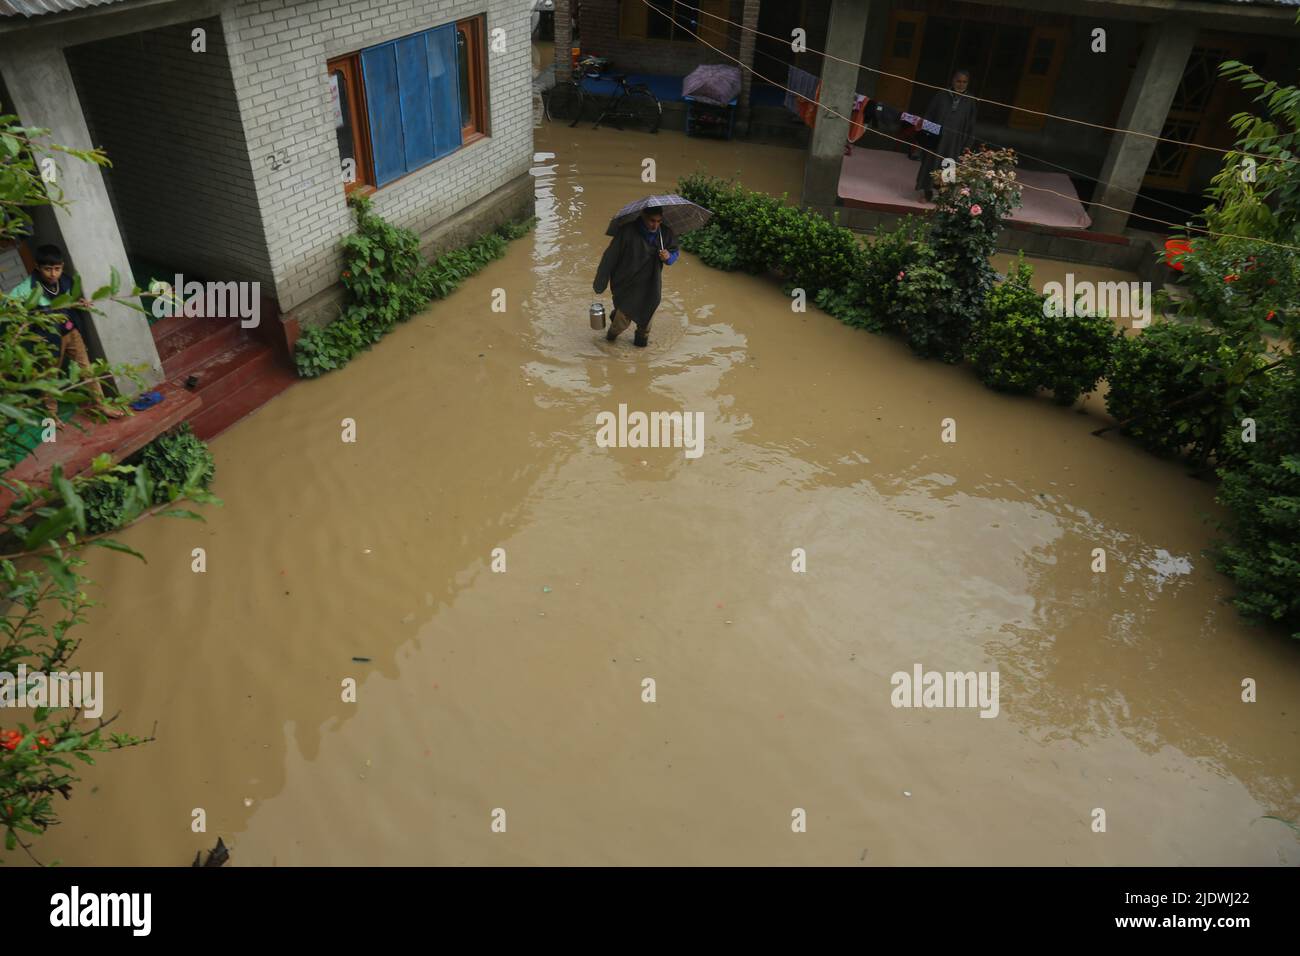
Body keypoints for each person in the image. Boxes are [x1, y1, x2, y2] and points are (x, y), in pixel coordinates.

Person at [7, 243, 124, 419]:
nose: (53, 274)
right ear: (38, 268)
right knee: (49, 377)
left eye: (57, 268)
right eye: (48, 269)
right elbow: (8, 306)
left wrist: (81, 301)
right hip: (48, 340)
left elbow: (72, 297)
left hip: (71, 332)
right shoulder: (26, 289)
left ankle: (102, 405)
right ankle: (52, 415)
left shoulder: (67, 281)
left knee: (87, 370)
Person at [593, 206, 678, 347]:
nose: (655, 225)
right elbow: (610, 257)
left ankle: (640, 345)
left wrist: (668, 257)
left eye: (659, 221)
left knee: (646, 323)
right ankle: (609, 341)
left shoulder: (665, 233)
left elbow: (674, 252)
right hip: (627, 283)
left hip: (652, 284)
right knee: (619, 325)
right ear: (643, 216)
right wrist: (600, 282)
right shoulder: (627, 232)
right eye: (652, 221)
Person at [914, 70, 978, 202]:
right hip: (936, 139)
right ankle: (928, 193)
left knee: (949, 165)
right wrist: (926, 134)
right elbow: (930, 114)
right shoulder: (941, 95)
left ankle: (943, 196)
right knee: (931, 164)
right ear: (952, 81)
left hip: (955, 142)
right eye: (958, 81)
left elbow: (971, 124)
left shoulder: (970, 100)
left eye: (964, 82)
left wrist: (968, 144)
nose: (961, 84)